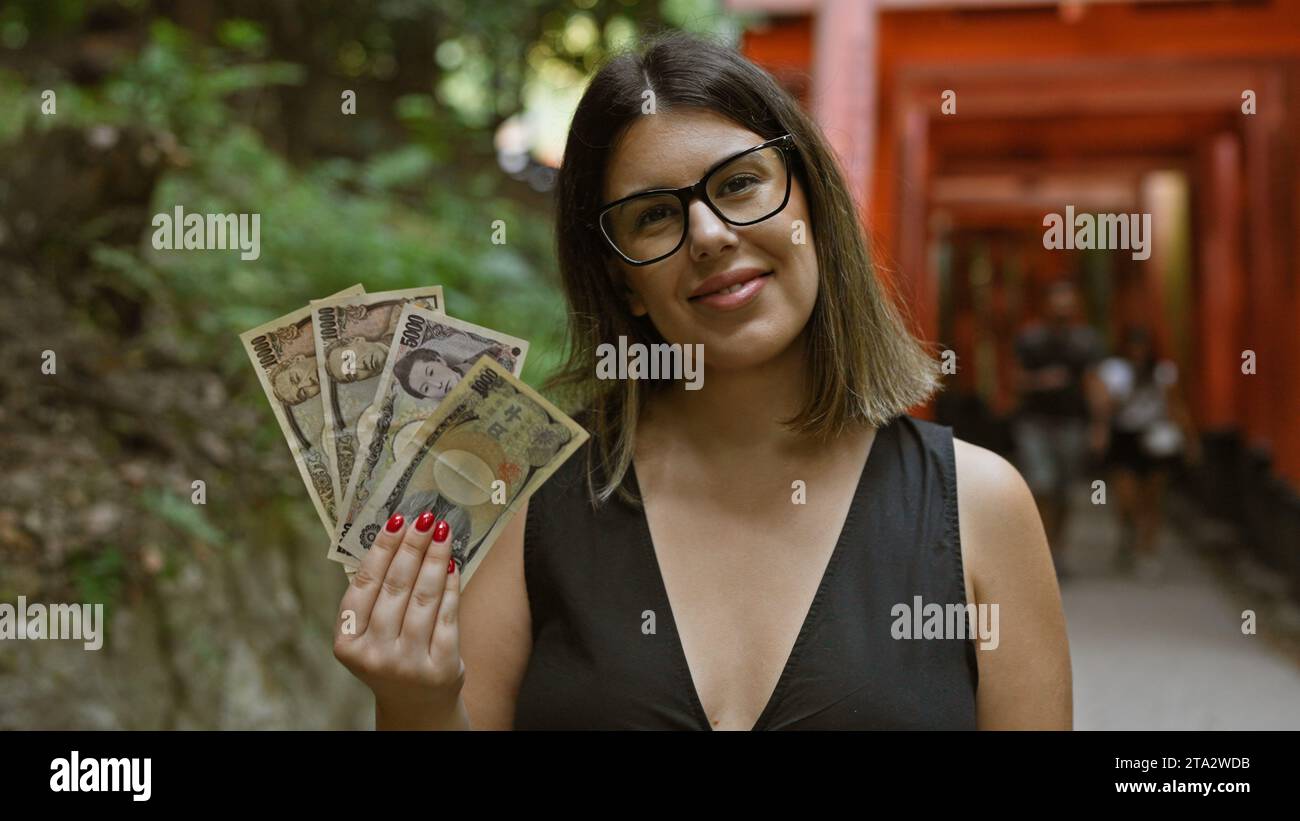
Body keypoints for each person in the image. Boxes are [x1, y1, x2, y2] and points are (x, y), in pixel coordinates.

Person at [333, 31, 1072, 730]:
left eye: (741, 183)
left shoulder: (977, 506)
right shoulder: (533, 498)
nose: (711, 234)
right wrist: (417, 708)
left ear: (812, 206)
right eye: (655, 216)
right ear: (622, 280)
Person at [1011, 280, 1106, 577]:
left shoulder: (1087, 341)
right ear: (1047, 305)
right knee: (1042, 485)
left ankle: (1058, 548)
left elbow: (1094, 383)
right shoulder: (1029, 339)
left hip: (1072, 423)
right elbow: (1013, 381)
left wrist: (1100, 426)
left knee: (1065, 490)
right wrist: (1041, 381)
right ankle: (1041, 550)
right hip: (1035, 423)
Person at [1096, 327, 1201, 581]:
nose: (1138, 353)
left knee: (1153, 499)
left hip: (1155, 438)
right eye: (1133, 347)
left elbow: (1175, 406)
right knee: (1127, 498)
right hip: (1125, 438)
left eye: (1142, 347)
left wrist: (1190, 440)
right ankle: (1127, 534)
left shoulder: (1163, 373)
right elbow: (1103, 407)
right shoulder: (1114, 371)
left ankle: (1147, 551)